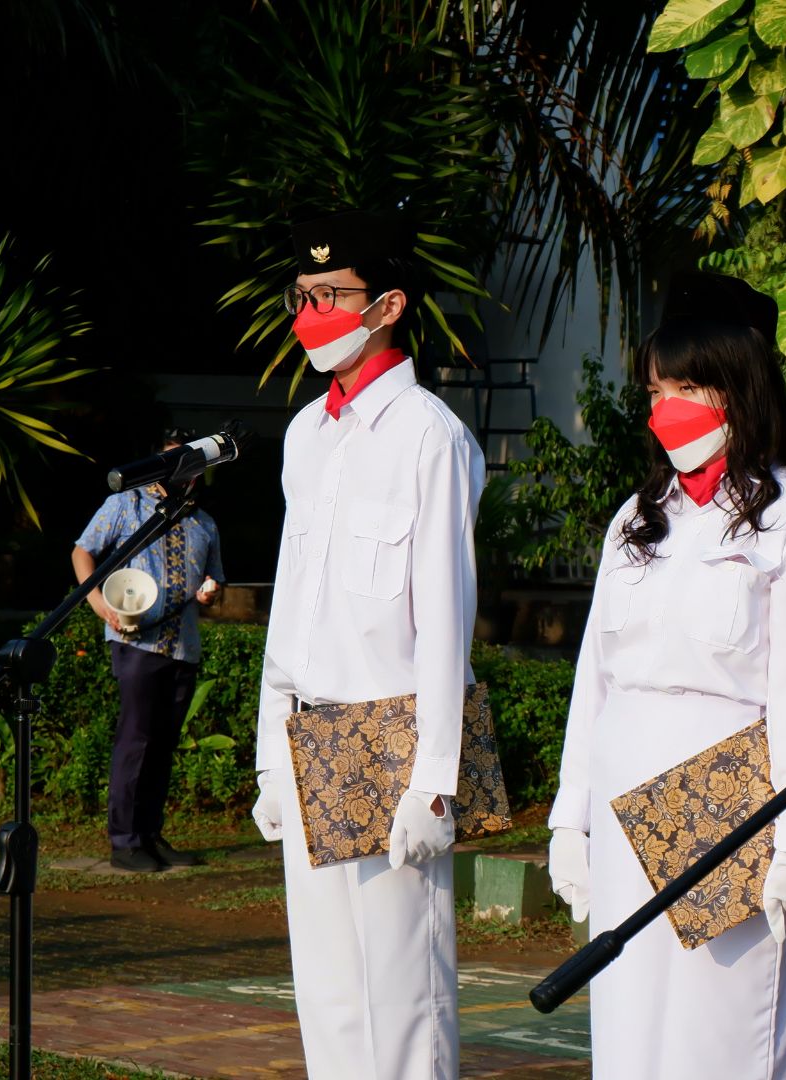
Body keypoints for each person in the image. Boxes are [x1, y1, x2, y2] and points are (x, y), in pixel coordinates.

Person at [545, 316, 786, 1080]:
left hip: (727, 795)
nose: (667, 408)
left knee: (722, 1031)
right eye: (656, 391)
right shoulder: (639, 517)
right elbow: (596, 678)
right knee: (630, 1025)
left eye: (687, 387)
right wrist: (570, 815)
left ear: (739, 389)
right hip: (621, 790)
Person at [247, 209, 483, 1080]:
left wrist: (434, 780)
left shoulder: (431, 435)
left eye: (331, 295)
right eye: (302, 296)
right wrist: (271, 754)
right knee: (329, 991)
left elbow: (446, 620)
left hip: (390, 737)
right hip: (310, 731)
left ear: (387, 306)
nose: (312, 314)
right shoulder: (306, 434)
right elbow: (291, 604)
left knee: (403, 993)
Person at [73, 429, 223, 873]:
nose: (182, 471)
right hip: (135, 642)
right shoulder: (128, 504)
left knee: (163, 744)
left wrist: (211, 591)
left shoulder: (204, 522)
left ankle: (150, 835)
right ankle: (124, 842)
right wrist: (97, 602)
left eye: (191, 464)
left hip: (183, 647)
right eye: (173, 461)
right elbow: (82, 551)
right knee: (136, 740)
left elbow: (214, 579)